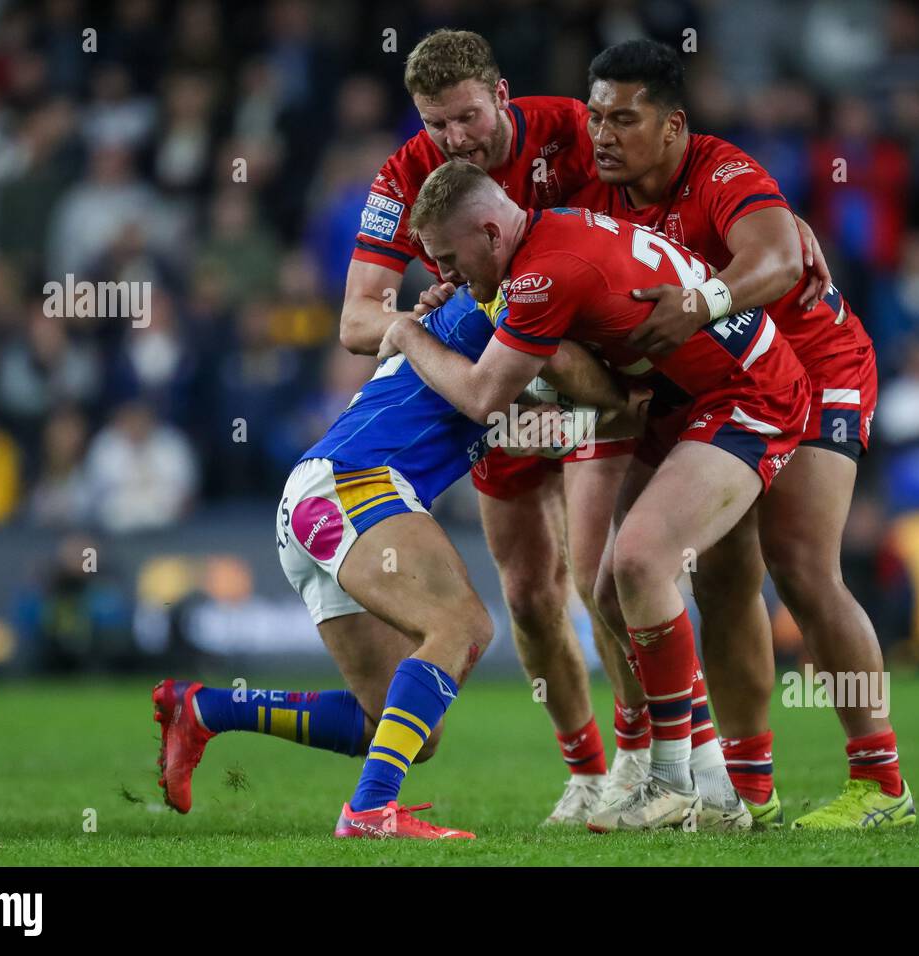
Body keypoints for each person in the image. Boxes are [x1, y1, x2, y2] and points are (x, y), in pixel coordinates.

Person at [341, 27, 831, 825]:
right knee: (532, 595)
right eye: (436, 125)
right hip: (515, 381)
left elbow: (675, 167)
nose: (454, 140)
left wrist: (774, 223)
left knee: (608, 575)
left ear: (501, 95)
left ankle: (651, 761)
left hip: (602, 382)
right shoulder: (408, 176)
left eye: (467, 118)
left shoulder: (577, 126)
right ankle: (593, 770)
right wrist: (418, 314)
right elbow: (356, 319)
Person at [569, 40, 915, 830]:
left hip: (816, 365)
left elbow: (777, 262)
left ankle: (882, 784)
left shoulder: (724, 172)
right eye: (596, 118)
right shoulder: (599, 182)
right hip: (718, 385)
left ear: (674, 125)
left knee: (801, 567)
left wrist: (698, 302)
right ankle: (747, 788)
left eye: (625, 118)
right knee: (722, 578)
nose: (605, 134)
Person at [154, 285, 641, 839]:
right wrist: (629, 399)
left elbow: (536, 428)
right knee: (464, 626)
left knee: (395, 723)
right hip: (355, 484)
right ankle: (369, 810)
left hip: (315, 501)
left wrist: (611, 419)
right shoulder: (512, 304)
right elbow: (542, 387)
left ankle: (206, 710)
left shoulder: (485, 339)